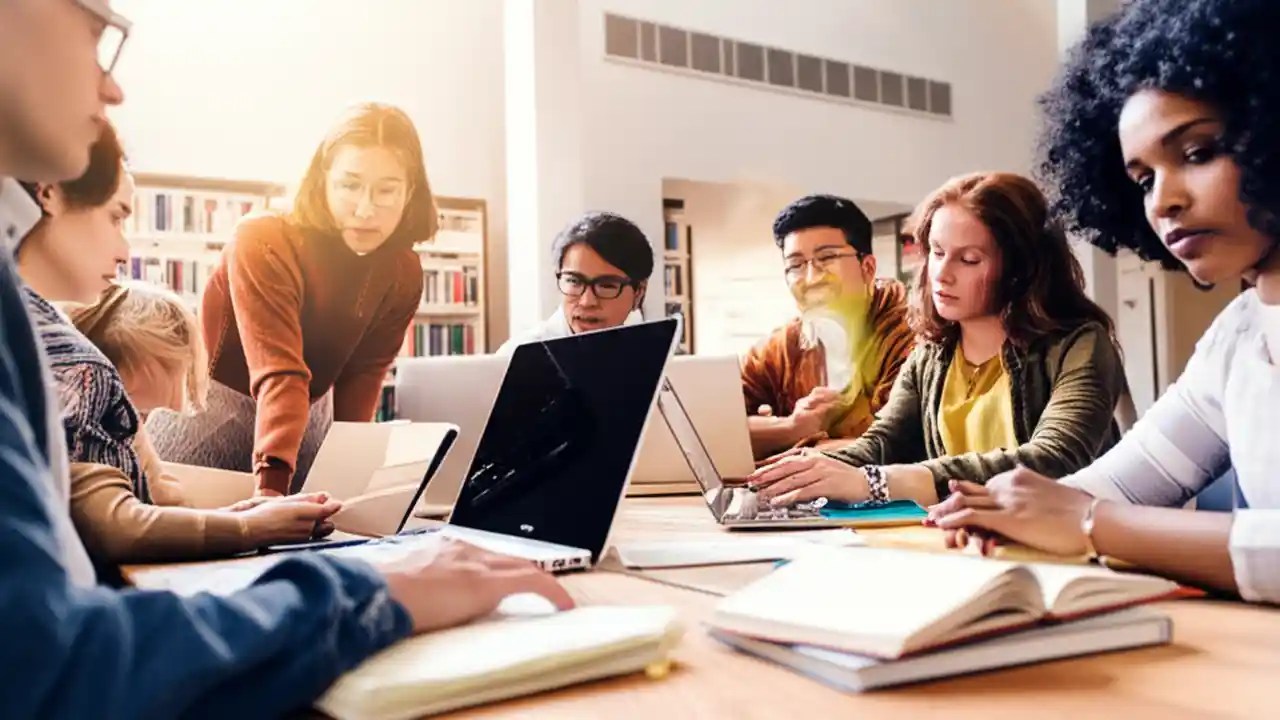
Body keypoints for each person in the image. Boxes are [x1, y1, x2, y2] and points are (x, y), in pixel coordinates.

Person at [0, 2, 569, 716]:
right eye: (98, 32)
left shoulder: (29, 316)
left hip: (279, 442)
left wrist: (354, 501)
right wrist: (342, 570)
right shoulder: (251, 247)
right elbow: (277, 378)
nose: (112, 88)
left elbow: (351, 387)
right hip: (232, 406)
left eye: (388, 189)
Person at [929, 0, 1280, 605]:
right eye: (1143, 179)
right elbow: (1125, 479)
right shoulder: (1238, 336)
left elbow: (1094, 511)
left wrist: (1091, 524)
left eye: (1197, 153)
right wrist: (1004, 510)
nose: (1162, 201)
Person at [17, 123, 348, 562]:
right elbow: (114, 526)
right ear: (49, 194)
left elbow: (155, 503)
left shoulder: (34, 339)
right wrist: (249, 526)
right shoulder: (80, 370)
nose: (123, 251)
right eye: (116, 217)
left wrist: (240, 515)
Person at [747, 172, 1127, 508]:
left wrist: (878, 482)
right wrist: (803, 473)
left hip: (1073, 544)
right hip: (969, 539)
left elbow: (1053, 460)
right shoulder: (932, 354)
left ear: (1020, 268)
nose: (940, 274)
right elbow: (884, 442)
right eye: (937, 252)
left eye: (969, 259)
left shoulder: (1080, 345)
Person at [148, 102, 436, 496]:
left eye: (387, 190)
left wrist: (351, 490)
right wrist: (271, 492)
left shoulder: (404, 272)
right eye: (350, 185)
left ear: (411, 191)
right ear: (323, 180)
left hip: (304, 418)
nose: (367, 208)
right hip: (210, 417)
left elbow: (364, 378)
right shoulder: (263, 239)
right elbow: (279, 371)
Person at [741, 194, 914, 460]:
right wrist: (791, 428)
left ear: (867, 268)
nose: (811, 278)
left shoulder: (910, 334)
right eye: (795, 265)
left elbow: (897, 445)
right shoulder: (780, 348)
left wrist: (786, 444)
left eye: (827, 257)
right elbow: (712, 431)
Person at [498, 211, 653, 353]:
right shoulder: (517, 357)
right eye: (574, 281)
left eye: (606, 286)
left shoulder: (649, 354)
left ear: (639, 292)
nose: (587, 302)